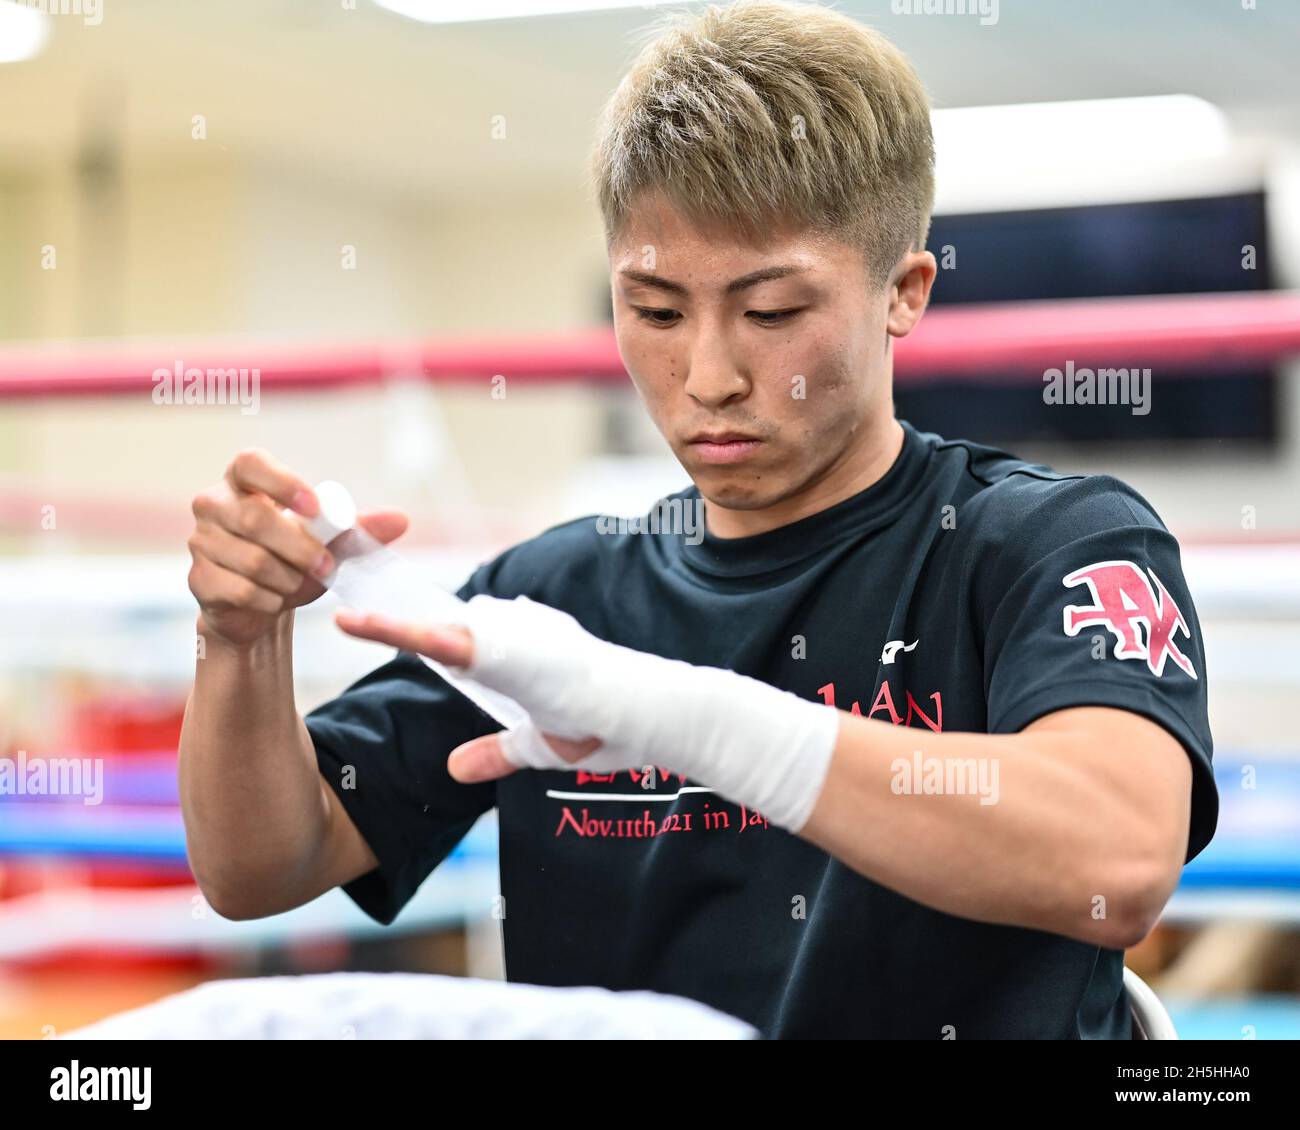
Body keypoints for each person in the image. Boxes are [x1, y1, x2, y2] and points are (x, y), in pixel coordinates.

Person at [181, 0, 1217, 1038]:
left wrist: (658, 709)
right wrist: (238, 640)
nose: (709, 377)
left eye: (772, 311)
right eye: (657, 311)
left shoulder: (1046, 543)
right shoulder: (560, 594)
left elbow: (1116, 860)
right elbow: (264, 862)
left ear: (902, 292)